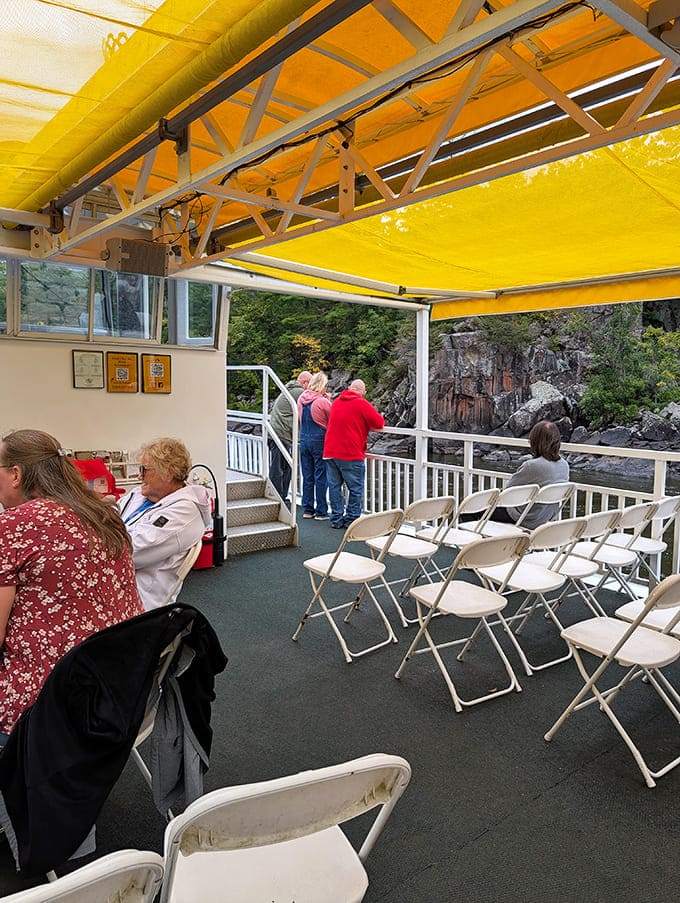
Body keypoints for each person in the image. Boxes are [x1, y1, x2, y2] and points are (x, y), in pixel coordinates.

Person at [0, 429, 142, 742]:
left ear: (15, 474)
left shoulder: (13, 526)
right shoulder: (102, 513)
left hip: (47, 699)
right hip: (120, 687)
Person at [118, 438, 211, 611]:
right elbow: (109, 517)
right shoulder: (142, 494)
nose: (139, 476)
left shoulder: (185, 512)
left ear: (168, 474)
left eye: (144, 470)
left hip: (136, 603)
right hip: (115, 585)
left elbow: (129, 553)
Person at [323, 378, 384, 528]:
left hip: (330, 452)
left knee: (335, 487)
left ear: (350, 388)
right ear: (363, 392)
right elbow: (379, 423)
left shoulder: (336, 402)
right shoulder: (361, 403)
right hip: (350, 453)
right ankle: (351, 520)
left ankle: (336, 518)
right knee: (355, 489)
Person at [493, 420, 570, 529]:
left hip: (525, 517)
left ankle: (480, 544)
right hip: (545, 516)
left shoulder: (532, 465)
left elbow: (508, 490)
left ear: (535, 441)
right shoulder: (564, 465)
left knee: (475, 510)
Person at [268, 370, 311, 506]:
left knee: (285, 468)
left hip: (279, 434)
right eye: (310, 385)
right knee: (279, 468)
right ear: (304, 382)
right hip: (281, 435)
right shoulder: (298, 392)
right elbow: (312, 404)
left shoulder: (289, 390)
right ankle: (277, 499)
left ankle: (281, 497)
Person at [297, 371, 332, 519]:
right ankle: (321, 511)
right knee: (321, 476)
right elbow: (333, 419)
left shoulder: (301, 399)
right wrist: (328, 400)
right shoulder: (322, 402)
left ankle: (308, 509)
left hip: (303, 439)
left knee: (307, 476)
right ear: (321, 386)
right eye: (325, 386)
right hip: (319, 441)